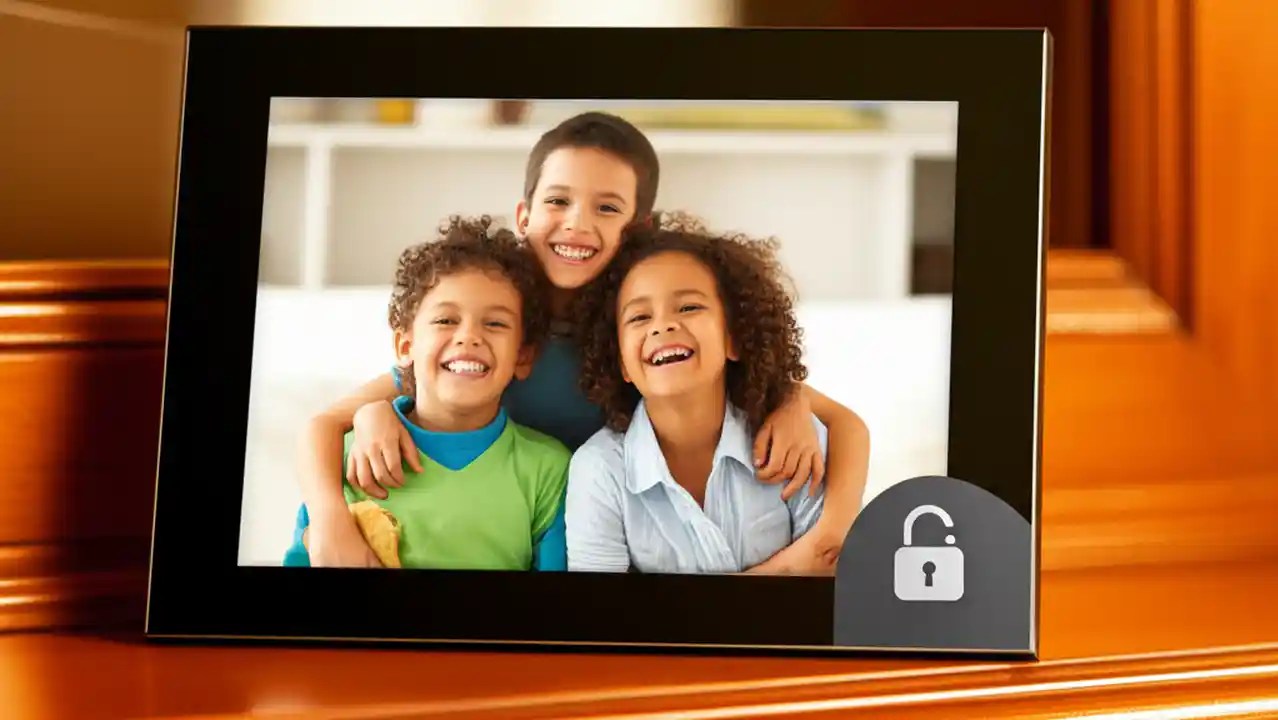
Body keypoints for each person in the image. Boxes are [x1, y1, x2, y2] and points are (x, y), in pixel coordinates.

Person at [299, 111, 869, 570]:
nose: (576, 223)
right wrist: (362, 442)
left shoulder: (645, 338)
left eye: (607, 207)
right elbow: (327, 423)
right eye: (557, 201)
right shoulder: (489, 332)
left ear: (638, 229)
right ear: (523, 215)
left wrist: (792, 405)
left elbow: (845, 424)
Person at [566, 214, 854, 574]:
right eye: (639, 317)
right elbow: (598, 619)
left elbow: (823, 577)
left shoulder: (797, 443)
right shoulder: (598, 470)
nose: (663, 325)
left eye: (689, 307)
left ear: (734, 338)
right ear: (621, 362)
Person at [283, 216, 569, 570]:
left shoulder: (550, 470)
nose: (469, 337)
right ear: (405, 345)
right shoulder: (345, 456)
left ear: (523, 356)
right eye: (446, 320)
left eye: (495, 323)